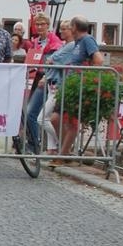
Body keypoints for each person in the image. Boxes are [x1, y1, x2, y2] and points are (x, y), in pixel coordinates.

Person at [52, 16, 104, 157]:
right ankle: (66, 151)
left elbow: (99, 60)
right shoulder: (77, 42)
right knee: (55, 119)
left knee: (71, 122)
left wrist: (86, 78)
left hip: (77, 86)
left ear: (74, 27)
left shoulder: (87, 40)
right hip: (68, 85)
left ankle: (62, 155)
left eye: (70, 26)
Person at [26, 19, 74, 154]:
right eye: (61, 28)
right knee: (45, 117)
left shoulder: (65, 45)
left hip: (56, 84)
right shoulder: (62, 45)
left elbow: (54, 60)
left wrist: (49, 65)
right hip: (48, 83)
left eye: (65, 28)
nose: (62, 31)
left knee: (42, 118)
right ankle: (52, 149)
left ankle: (64, 143)